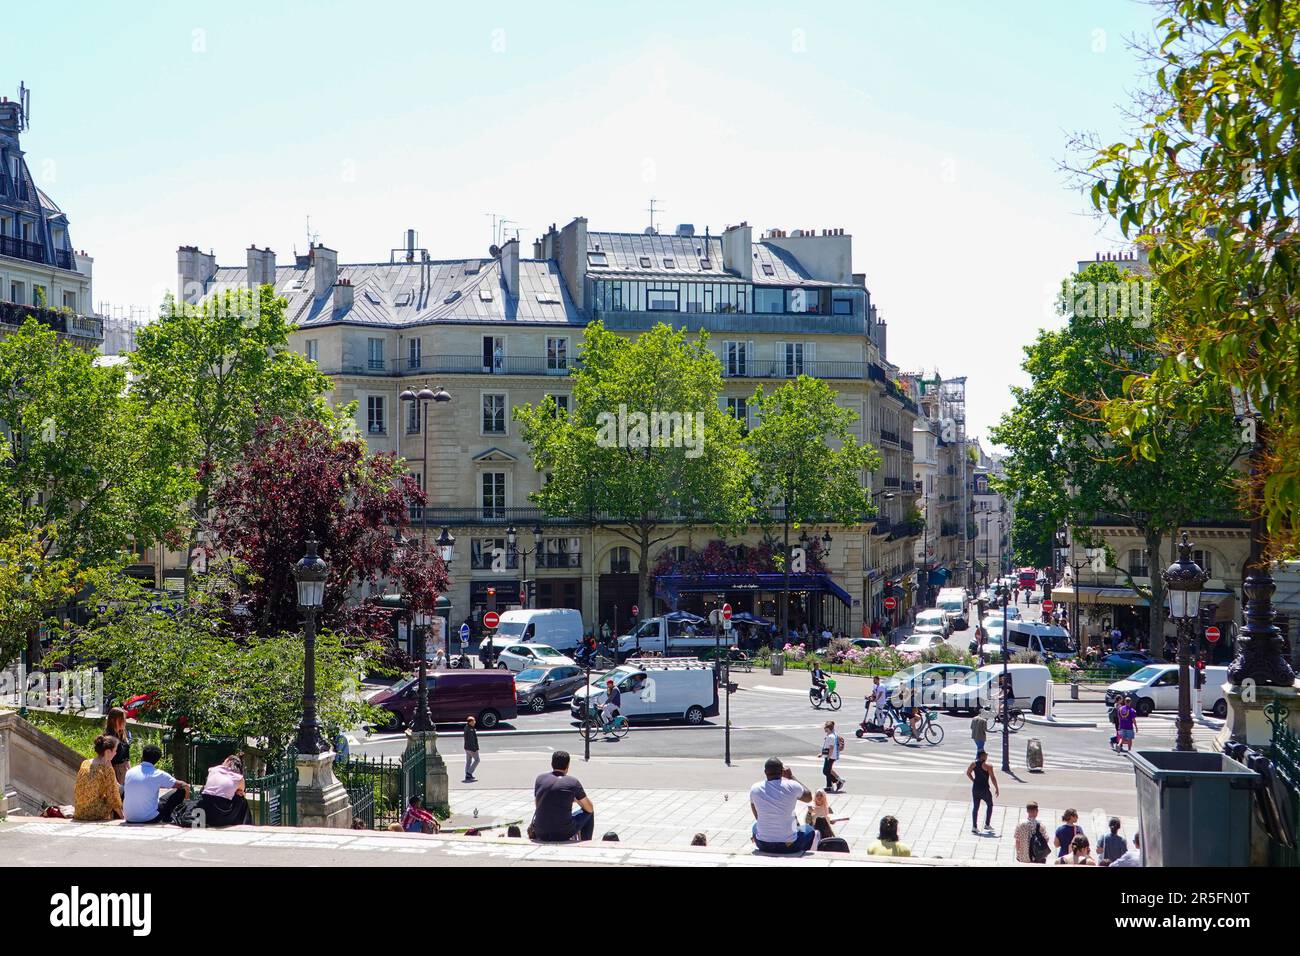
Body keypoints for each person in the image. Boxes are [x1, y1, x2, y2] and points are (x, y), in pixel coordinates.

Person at [749, 757, 815, 854]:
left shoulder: (755, 788)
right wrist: (791, 776)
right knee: (809, 829)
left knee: (755, 826)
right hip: (788, 846)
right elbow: (808, 797)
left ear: (765, 772)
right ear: (782, 771)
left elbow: (757, 815)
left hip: (763, 844)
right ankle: (800, 852)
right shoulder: (792, 785)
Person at [530, 750, 595, 842]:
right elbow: (589, 808)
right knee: (589, 814)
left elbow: (538, 805)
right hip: (563, 833)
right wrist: (577, 801)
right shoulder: (573, 782)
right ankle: (586, 842)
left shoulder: (540, 779)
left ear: (552, 764)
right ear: (568, 766)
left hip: (540, 831)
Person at [123, 744, 189, 824]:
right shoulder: (159, 774)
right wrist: (187, 797)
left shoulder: (129, 772)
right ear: (157, 760)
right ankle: (166, 817)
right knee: (181, 791)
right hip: (150, 818)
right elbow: (183, 785)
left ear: (142, 756)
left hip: (129, 817)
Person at [73, 734, 124, 821]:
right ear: (108, 752)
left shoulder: (85, 763)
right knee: (120, 790)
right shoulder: (106, 769)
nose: (116, 753)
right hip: (93, 813)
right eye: (115, 750)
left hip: (79, 811)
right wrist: (123, 817)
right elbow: (113, 796)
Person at [195, 754, 252, 827]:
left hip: (205, 809)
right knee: (241, 800)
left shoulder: (213, 769)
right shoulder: (239, 778)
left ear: (228, 761)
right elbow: (242, 793)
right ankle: (244, 823)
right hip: (222, 812)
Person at [966, 750, 999, 834]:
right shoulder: (988, 766)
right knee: (990, 804)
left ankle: (974, 826)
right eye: (986, 755)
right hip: (984, 789)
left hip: (976, 788)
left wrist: (973, 780)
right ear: (982, 756)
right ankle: (987, 824)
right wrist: (996, 788)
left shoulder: (973, 764)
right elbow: (992, 778)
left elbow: (968, 773)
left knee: (975, 807)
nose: (987, 756)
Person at [105, 707, 131, 787]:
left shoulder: (122, 734)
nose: (125, 722)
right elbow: (107, 761)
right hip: (115, 771)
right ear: (113, 720)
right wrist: (114, 781)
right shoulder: (109, 738)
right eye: (122, 720)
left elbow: (127, 757)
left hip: (125, 769)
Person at [821, 721, 844, 793]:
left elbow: (831, 747)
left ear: (828, 728)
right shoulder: (831, 734)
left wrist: (828, 756)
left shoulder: (831, 736)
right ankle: (830, 786)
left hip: (831, 756)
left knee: (826, 771)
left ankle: (837, 782)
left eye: (825, 727)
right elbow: (827, 746)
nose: (824, 728)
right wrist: (822, 754)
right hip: (830, 755)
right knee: (827, 771)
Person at [463, 715, 480, 783]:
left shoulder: (467, 727)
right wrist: (475, 749)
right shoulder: (470, 729)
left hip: (467, 748)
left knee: (468, 761)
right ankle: (469, 773)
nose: (474, 722)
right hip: (471, 748)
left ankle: (467, 775)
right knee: (477, 760)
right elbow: (472, 740)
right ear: (470, 722)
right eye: (473, 721)